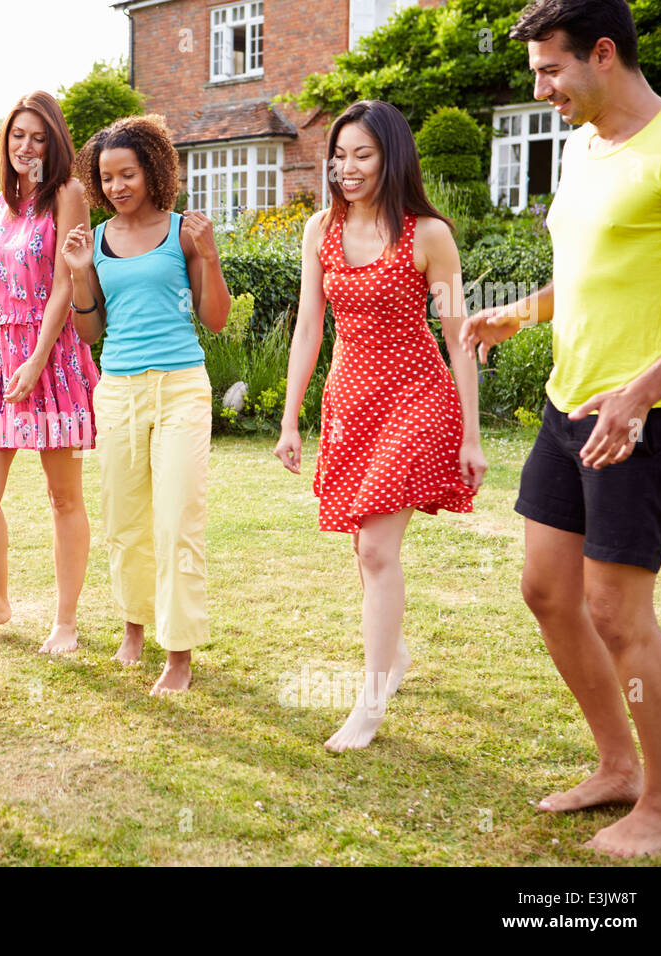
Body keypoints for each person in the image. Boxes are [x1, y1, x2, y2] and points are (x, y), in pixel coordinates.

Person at [462, 0, 661, 857]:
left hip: (644, 415)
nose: (543, 89)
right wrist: (517, 314)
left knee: (617, 611)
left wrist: (637, 395)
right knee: (549, 592)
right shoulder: (584, 146)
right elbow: (590, 272)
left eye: (551, 71)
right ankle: (619, 766)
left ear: (602, 53)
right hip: (569, 405)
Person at [274, 100, 486, 751]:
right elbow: (309, 326)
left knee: (375, 548)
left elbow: (459, 336)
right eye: (338, 157)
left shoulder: (430, 235)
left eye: (361, 155)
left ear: (392, 157)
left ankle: (369, 703)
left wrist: (472, 434)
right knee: (361, 547)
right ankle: (393, 659)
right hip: (351, 403)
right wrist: (290, 419)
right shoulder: (320, 230)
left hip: (417, 400)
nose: (347, 168)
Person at [61, 115, 230, 695]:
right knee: (124, 521)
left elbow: (215, 319)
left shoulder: (185, 232)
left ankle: (178, 654)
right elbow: (89, 333)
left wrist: (207, 256)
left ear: (152, 170)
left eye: (126, 174)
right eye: (106, 178)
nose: (116, 187)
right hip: (119, 392)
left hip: (181, 385)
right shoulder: (97, 242)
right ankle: (132, 627)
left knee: (178, 517)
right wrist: (81, 275)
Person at [0, 91, 99, 654]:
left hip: (52, 355)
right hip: (2, 352)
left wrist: (37, 359)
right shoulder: (0, 204)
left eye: (38, 136)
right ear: (5, 140)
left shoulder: (69, 194)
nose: (26, 146)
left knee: (63, 496)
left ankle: (65, 621)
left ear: (54, 141)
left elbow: (65, 282)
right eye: (17, 135)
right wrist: (10, 356)